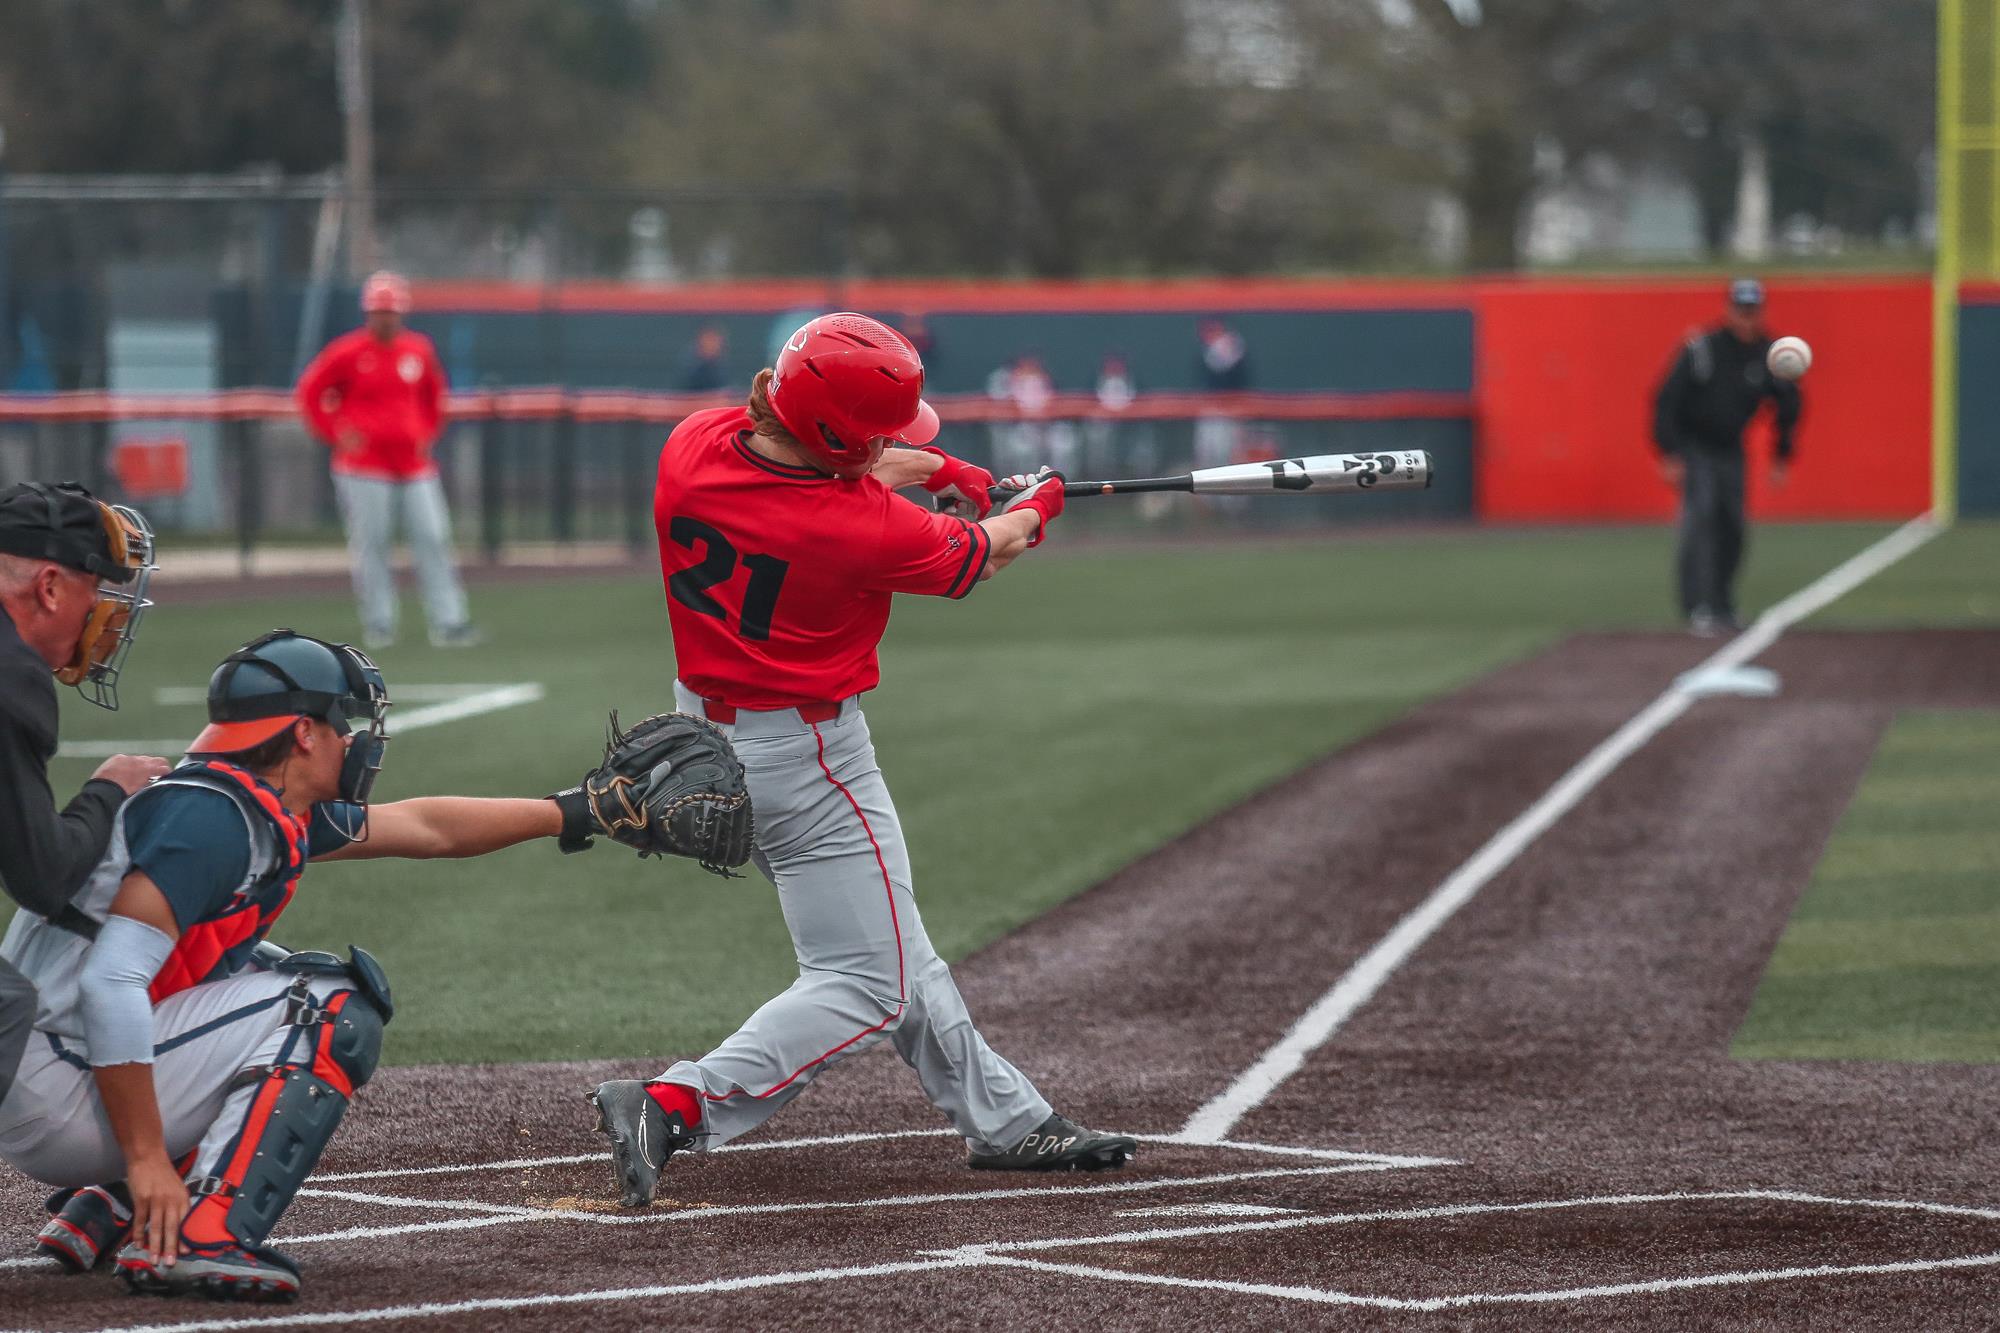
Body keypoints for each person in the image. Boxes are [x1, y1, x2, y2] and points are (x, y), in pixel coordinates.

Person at [586, 312, 1136, 1209]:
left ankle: (1006, 1120)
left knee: (889, 939)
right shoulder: (865, 530)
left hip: (702, 742)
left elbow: (831, 463)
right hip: (807, 760)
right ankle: (676, 1101)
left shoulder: (694, 445)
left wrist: (950, 471)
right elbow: (984, 553)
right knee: (865, 981)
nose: (892, 448)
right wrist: (1035, 506)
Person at [0, 629, 582, 1301]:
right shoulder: (209, 819)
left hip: (48, 1070)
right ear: (304, 732)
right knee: (326, 1006)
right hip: (60, 1082)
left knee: (253, 966)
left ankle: (109, 1206)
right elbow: (112, 980)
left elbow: (428, 827)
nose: (355, 739)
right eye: (344, 722)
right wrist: (146, 1155)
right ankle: (197, 1231)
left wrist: (574, 812)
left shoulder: (236, 798)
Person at [0, 482, 167, 1117]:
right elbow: (42, 878)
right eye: (95, 586)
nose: (105, 608)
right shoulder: (13, 675)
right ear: (48, 587)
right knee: (6, 1004)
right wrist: (108, 789)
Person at [296, 271, 482, 651]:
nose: (386, 318)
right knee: (373, 544)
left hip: (414, 465)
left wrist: (427, 432)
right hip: (363, 467)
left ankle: (449, 621)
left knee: (433, 537)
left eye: (392, 311)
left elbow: (435, 396)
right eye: (380, 311)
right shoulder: (347, 352)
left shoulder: (418, 349)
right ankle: (379, 624)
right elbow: (310, 392)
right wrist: (335, 433)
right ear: (369, 312)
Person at [1652, 278, 1804, 635]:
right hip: (1696, 446)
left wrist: (1780, 454)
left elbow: (1789, 405)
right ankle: (1697, 607)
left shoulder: (1769, 355)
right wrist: (1669, 452)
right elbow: (1666, 400)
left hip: (1731, 449)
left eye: (1752, 311)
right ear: (1728, 310)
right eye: (1741, 310)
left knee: (1732, 527)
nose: (1746, 318)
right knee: (1700, 521)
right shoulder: (1702, 349)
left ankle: (1722, 604)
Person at [679, 325, 729, 393]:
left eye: (715, 341)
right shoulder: (691, 369)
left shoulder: (723, 368)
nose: (712, 345)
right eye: (709, 340)